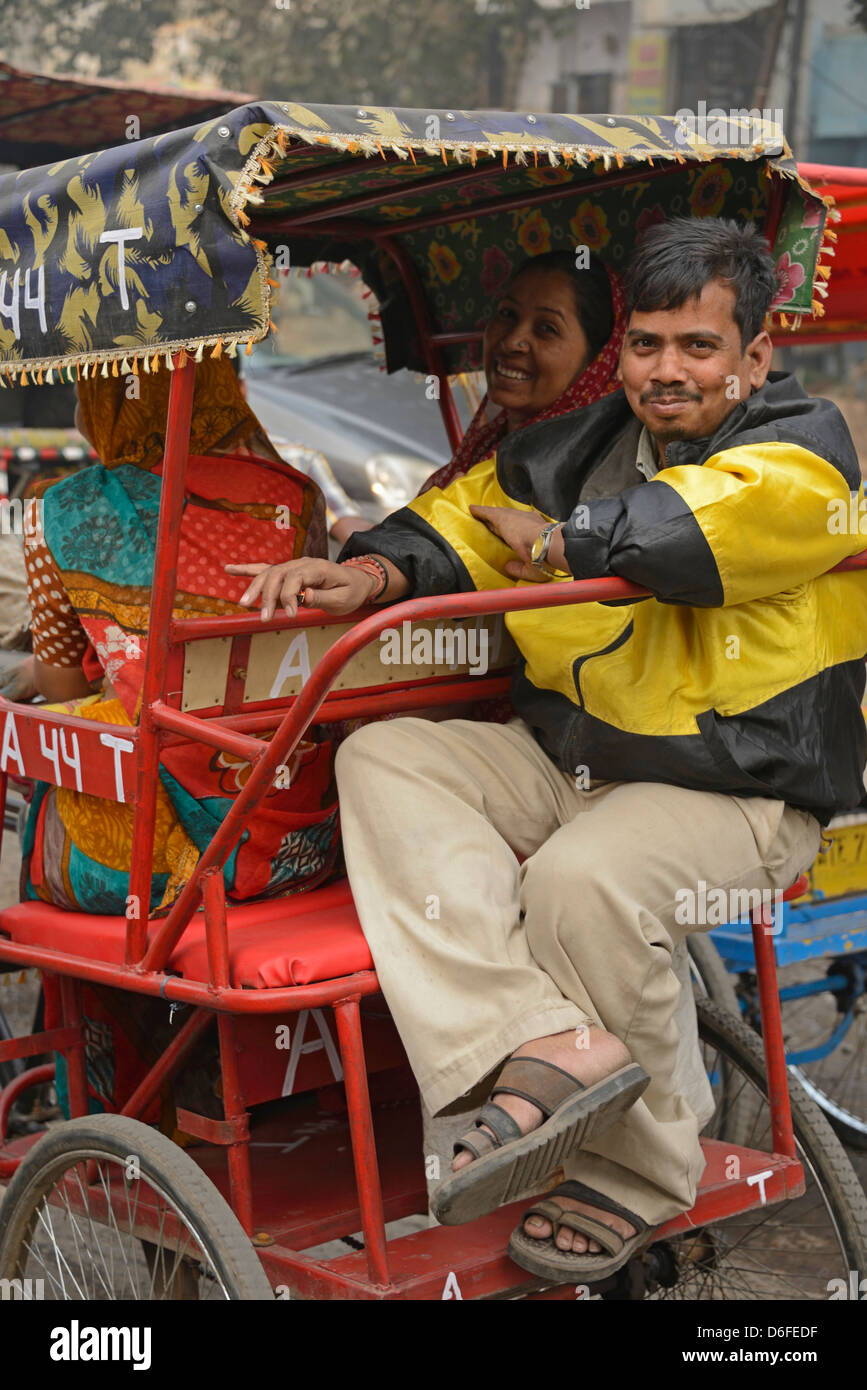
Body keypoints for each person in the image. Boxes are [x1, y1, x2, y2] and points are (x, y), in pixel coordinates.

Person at [228, 217, 867, 1282]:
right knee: (383, 756)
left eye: (698, 348)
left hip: (740, 786)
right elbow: (465, 523)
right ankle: (535, 1038)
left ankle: (643, 1170)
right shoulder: (565, 449)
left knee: (580, 882)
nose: (668, 371)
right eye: (650, 345)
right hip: (581, 765)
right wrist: (375, 576)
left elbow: (687, 531)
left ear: (755, 358)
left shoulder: (805, 450)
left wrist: (563, 542)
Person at [19, 356, 338, 916]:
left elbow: (62, 685)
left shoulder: (57, 509)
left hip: (137, 863)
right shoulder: (297, 497)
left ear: (109, 394)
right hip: (286, 836)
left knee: (54, 742)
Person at [329, 249, 625, 544]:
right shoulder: (486, 450)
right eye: (507, 314)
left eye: (547, 329)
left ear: (598, 361)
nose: (512, 341)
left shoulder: (579, 479)